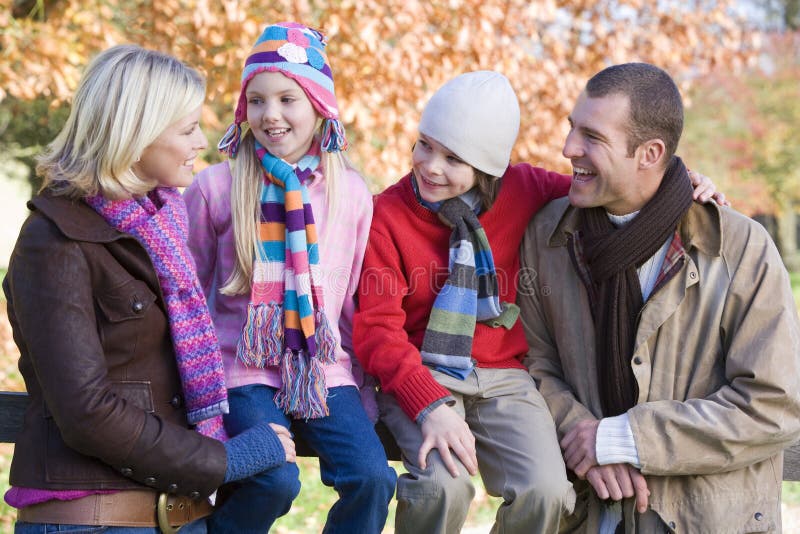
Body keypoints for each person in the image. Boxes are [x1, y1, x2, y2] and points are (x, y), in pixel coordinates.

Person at [3, 45, 298, 533]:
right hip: (93, 522)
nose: (202, 142)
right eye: (187, 130)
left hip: (177, 515)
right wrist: (221, 460)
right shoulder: (55, 240)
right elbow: (87, 412)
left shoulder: (162, 228)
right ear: (133, 135)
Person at [518, 62, 800, 533]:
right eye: (572, 129)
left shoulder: (740, 248)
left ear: (650, 153)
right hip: (581, 514)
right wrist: (583, 437)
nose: (568, 148)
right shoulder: (546, 235)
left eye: (592, 136)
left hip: (701, 521)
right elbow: (532, 360)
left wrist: (623, 439)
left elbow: (775, 403)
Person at [184, 21, 397, 534]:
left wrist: (362, 389)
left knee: (373, 477)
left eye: (287, 99)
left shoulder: (350, 194)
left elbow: (348, 303)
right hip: (242, 368)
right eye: (256, 101)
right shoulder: (218, 186)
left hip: (323, 370)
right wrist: (190, 389)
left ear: (320, 106)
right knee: (274, 479)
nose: (270, 115)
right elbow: (186, 293)